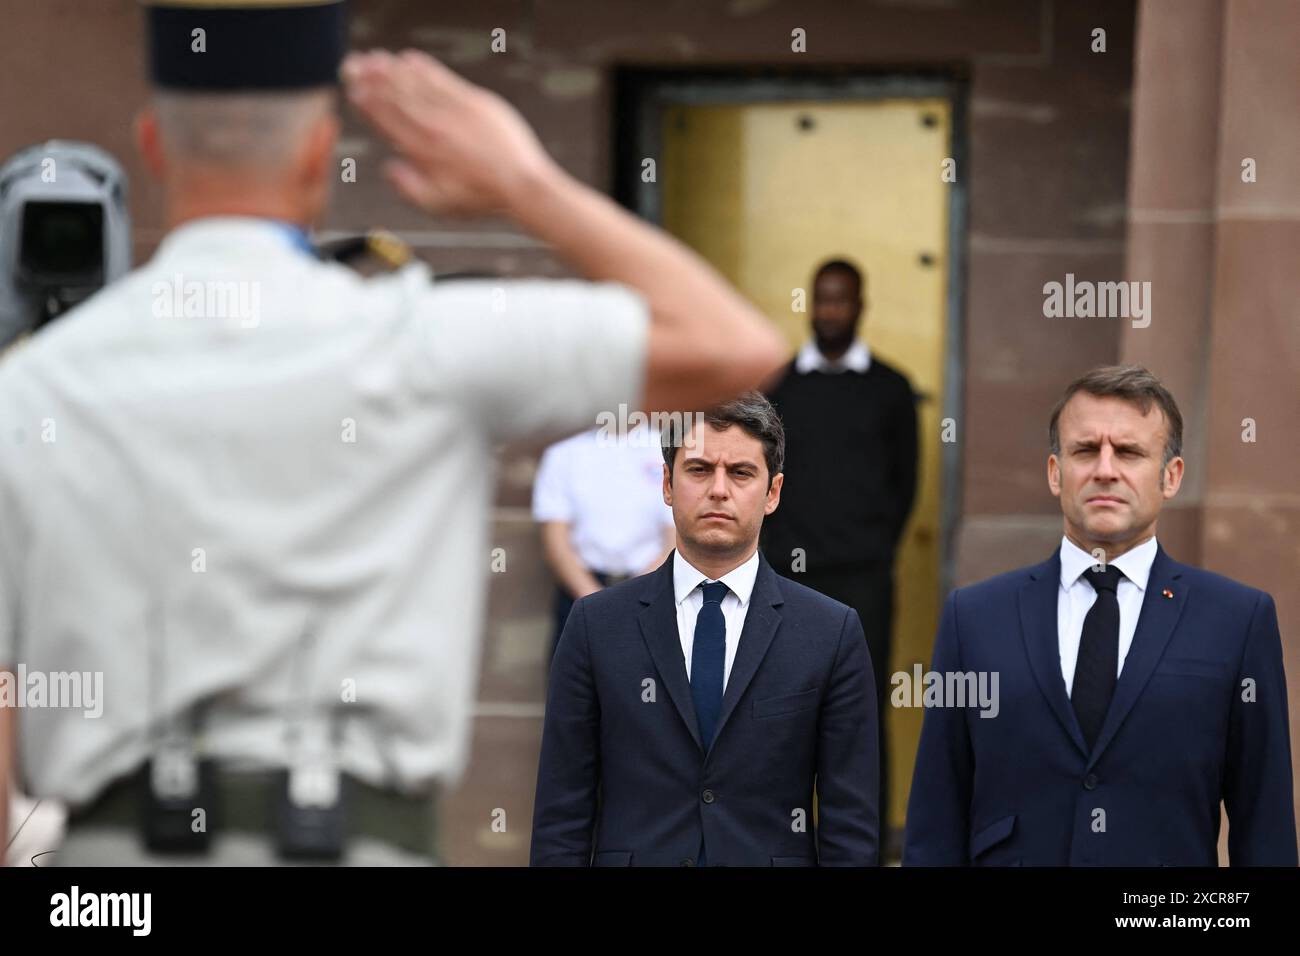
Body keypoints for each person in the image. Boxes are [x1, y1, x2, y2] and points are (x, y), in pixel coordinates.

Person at [0, 0, 787, 865]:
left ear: (151, 145)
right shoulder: (423, 342)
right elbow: (735, 343)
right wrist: (520, 182)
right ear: (320, 153)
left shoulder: (33, 385)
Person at [903, 365, 1297, 866]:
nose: (1105, 469)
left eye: (1129, 452)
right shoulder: (974, 618)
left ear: (1170, 476)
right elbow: (936, 814)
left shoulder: (1238, 620)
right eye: (1085, 450)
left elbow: (1265, 828)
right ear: (1055, 472)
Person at [530, 393, 879, 866]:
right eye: (698, 470)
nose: (719, 489)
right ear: (668, 485)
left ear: (772, 492)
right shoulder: (595, 625)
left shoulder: (830, 632)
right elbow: (562, 814)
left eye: (740, 473)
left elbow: (850, 825)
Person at [761, 257, 917, 844]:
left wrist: (872, 552)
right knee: (777, 711)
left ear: (860, 306)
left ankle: (863, 849)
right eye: (821, 300)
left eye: (842, 300)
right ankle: (777, 844)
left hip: (864, 582)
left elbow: (906, 486)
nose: (831, 311)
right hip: (783, 580)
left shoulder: (890, 389)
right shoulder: (778, 389)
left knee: (859, 712)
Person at [532, 425, 675, 660]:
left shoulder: (666, 450)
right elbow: (555, 540)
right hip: (579, 594)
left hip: (650, 593)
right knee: (573, 690)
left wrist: (631, 599)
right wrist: (594, 602)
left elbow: (674, 538)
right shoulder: (564, 453)